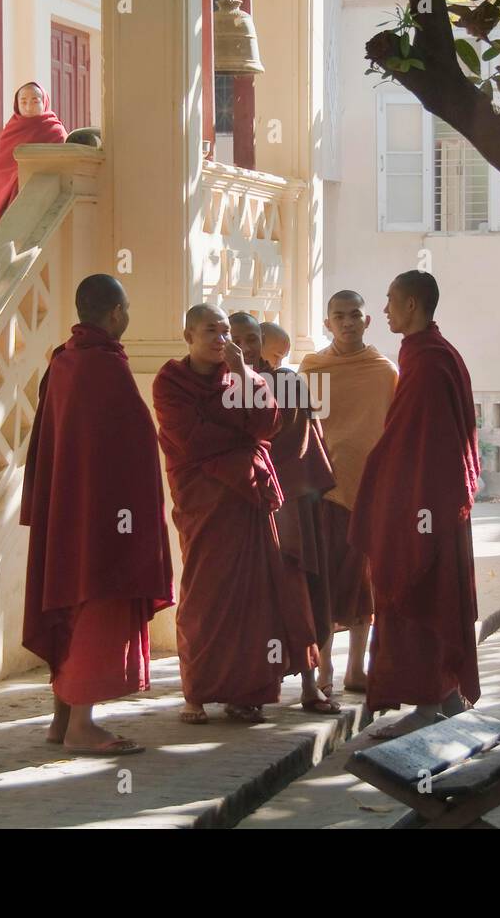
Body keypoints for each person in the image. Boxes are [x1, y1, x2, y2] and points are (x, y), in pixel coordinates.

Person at [20, 273, 174, 755]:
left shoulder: (64, 362)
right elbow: (127, 444)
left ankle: (61, 718)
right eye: (125, 309)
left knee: (67, 602)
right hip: (104, 520)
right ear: (114, 314)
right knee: (94, 603)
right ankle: (82, 726)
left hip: (71, 512)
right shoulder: (103, 368)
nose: (127, 317)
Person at [153, 306, 319, 724]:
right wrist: (241, 437)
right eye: (211, 331)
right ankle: (197, 691)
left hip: (247, 499)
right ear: (187, 334)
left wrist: (245, 375)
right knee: (204, 594)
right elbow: (190, 440)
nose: (221, 339)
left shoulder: (245, 379)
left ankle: (247, 692)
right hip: (204, 500)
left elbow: (268, 425)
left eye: (225, 332)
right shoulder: (170, 381)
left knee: (255, 597)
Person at [349, 271, 482, 738]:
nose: (382, 311)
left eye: (389, 301)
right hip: (430, 507)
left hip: (423, 508)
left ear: (410, 304)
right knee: (430, 596)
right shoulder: (431, 354)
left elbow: (420, 444)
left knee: (416, 589)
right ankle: (444, 698)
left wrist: (391, 497)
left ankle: (428, 706)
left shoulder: (428, 362)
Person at [229, 313, 340, 714]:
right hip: (244, 506)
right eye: (236, 339)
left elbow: (298, 447)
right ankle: (252, 691)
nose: (245, 346)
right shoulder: (221, 385)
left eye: (252, 338)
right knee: (253, 600)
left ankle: (310, 687)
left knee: (299, 592)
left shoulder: (288, 383)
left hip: (289, 504)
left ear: (264, 343)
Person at [298, 291, 397, 695]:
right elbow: (299, 427)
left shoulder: (383, 372)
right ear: (327, 323)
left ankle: (357, 669)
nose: (347, 323)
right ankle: (323, 673)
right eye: (339, 316)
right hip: (323, 490)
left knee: (362, 583)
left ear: (367, 320)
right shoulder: (312, 368)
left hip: (369, 491)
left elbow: (394, 431)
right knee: (322, 583)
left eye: (355, 315)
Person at [0, 82, 68, 221]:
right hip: (13, 196)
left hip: (44, 194)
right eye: (23, 102)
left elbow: (63, 164)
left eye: (34, 101)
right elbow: (0, 171)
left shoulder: (55, 130)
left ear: (44, 102)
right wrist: (15, 177)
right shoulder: (10, 130)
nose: (28, 107)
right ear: (17, 104)